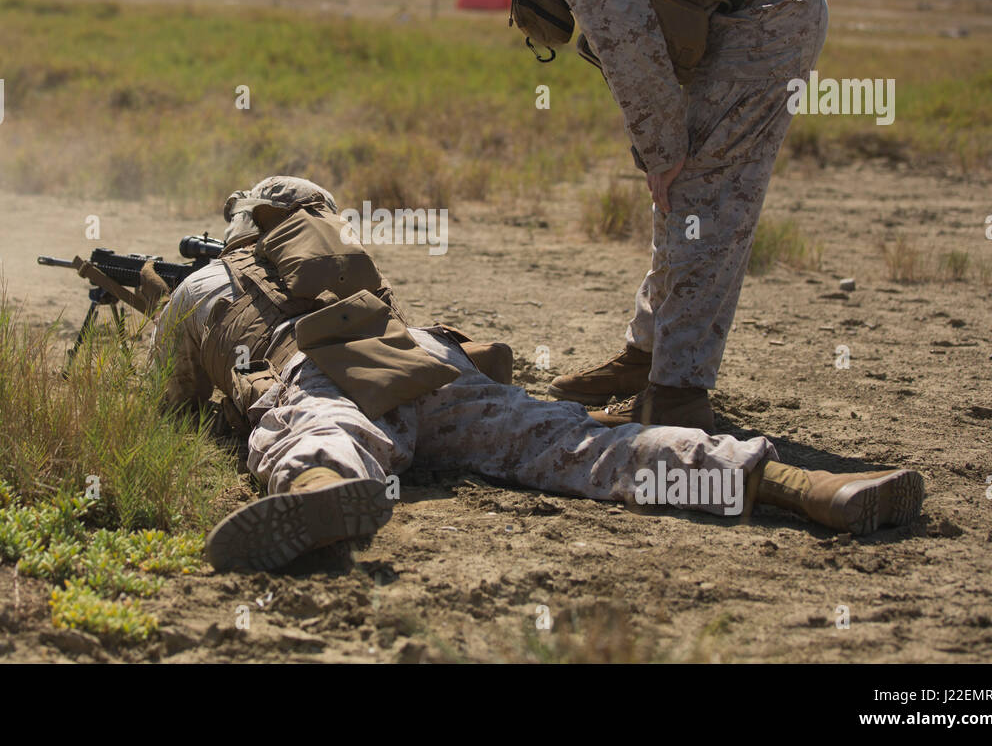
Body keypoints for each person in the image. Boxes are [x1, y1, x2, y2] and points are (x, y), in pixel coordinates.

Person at [146, 176, 923, 573]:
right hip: (421, 362)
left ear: (238, 230)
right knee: (574, 441)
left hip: (314, 374)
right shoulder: (336, 266)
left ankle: (320, 495)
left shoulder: (205, 285)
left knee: (323, 431)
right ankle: (801, 486)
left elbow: (166, 405)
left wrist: (181, 338)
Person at [393, 0, 831, 432]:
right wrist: (662, 149)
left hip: (768, 18)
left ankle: (678, 395)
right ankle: (647, 357)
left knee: (706, 199)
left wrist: (660, 148)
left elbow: (627, 36)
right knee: (683, 194)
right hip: (745, 18)